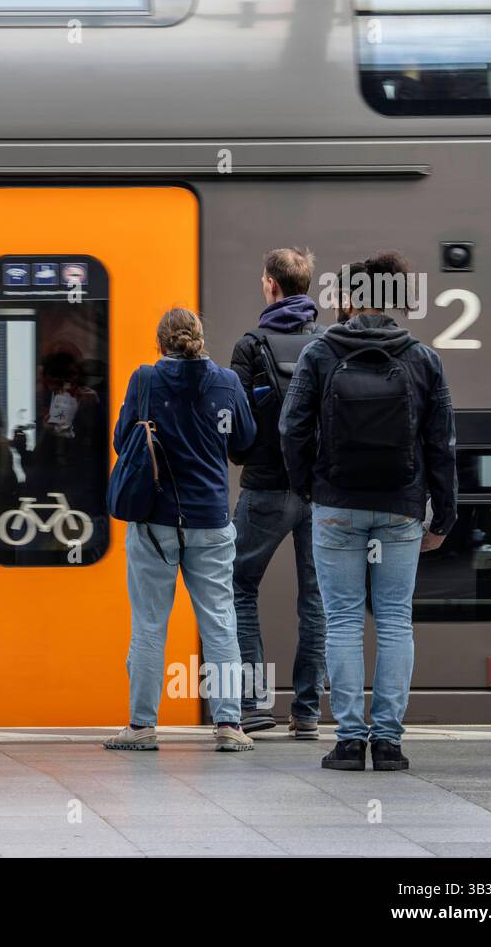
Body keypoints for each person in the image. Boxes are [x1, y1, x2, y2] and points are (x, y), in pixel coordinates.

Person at [279, 250, 457, 772]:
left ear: (351, 299)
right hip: (401, 507)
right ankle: (389, 743)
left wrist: (308, 488)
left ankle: (350, 741)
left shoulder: (320, 353)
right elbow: (442, 444)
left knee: (342, 621)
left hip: (335, 504)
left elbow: (291, 430)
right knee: (396, 621)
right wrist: (441, 517)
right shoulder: (422, 358)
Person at [105, 308, 257, 752]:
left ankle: (141, 727)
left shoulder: (145, 379)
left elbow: (121, 441)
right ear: (200, 338)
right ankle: (229, 724)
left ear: (161, 342)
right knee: (220, 622)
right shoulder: (227, 382)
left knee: (150, 624)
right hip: (210, 519)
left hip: (154, 520)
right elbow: (245, 442)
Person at [227, 248, 326, 738]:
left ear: (271, 285)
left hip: (265, 487)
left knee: (239, 586)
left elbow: (236, 421)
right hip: (320, 492)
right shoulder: (327, 344)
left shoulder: (250, 345)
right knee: (317, 597)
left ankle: (250, 705)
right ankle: (306, 713)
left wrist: (244, 453)